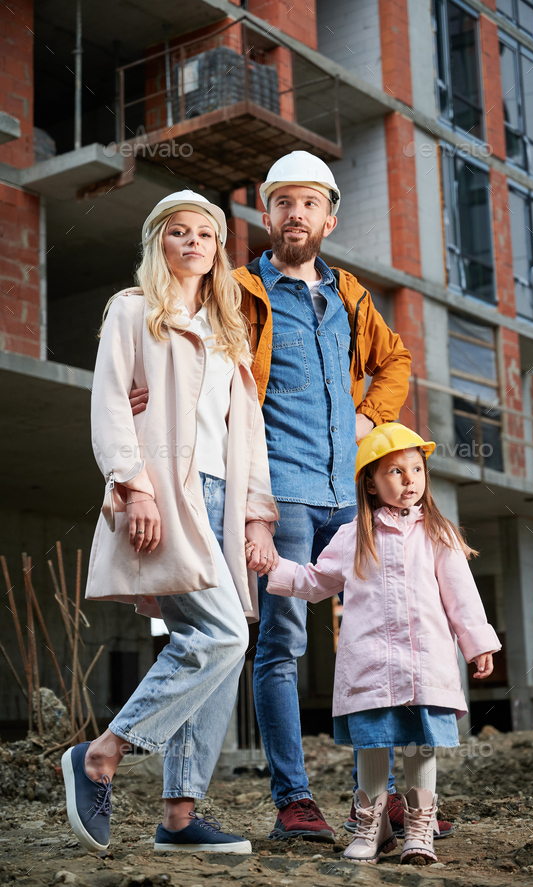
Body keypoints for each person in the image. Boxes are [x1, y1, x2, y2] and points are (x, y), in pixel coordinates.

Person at [130, 151, 415, 841]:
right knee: (279, 644)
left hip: (347, 500)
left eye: (309, 202)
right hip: (274, 494)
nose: (296, 214)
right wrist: (146, 385)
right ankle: (294, 801)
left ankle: (374, 795)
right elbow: (176, 333)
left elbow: (396, 359)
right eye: (283, 201)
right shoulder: (235, 289)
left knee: (369, 643)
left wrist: (373, 417)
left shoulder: (349, 295)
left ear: (329, 216)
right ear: (267, 214)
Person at [62, 191, 280, 855]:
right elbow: (109, 404)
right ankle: (102, 753)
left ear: (217, 250)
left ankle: (180, 816)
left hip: (220, 497)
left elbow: (248, 436)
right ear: (160, 242)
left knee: (209, 641)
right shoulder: (134, 312)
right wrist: (135, 487)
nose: (193, 243)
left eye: (205, 235)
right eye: (179, 233)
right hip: (168, 494)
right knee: (221, 637)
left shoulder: (228, 334)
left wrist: (257, 517)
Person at [260, 422, 501, 864]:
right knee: (371, 743)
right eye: (395, 471)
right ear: (370, 482)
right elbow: (316, 581)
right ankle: (371, 826)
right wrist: (273, 565)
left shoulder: (438, 533)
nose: (410, 480)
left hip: (424, 665)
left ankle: (418, 829)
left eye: (416, 469)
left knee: (417, 744)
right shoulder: (353, 534)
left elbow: (461, 595)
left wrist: (477, 642)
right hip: (368, 664)